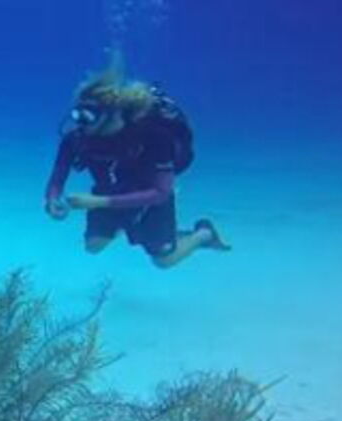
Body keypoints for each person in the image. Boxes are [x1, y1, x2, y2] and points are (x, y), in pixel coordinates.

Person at [44, 60, 230, 268]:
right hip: (108, 191)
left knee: (164, 260)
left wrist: (98, 202)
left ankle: (203, 235)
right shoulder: (77, 138)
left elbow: (160, 192)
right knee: (93, 246)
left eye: (90, 117)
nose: (82, 125)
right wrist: (52, 199)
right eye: (79, 115)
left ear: (113, 114)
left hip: (150, 196)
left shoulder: (154, 137)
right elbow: (58, 175)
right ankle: (134, 223)